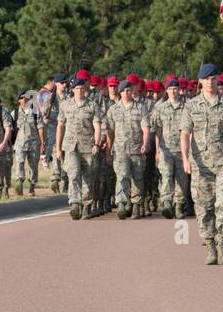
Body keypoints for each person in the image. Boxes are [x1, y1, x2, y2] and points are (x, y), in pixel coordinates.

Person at [180, 63, 223, 264]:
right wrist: (185, 157)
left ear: (218, 80)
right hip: (201, 164)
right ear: (200, 81)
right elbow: (185, 133)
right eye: (206, 79)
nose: (210, 82)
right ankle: (210, 246)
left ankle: (222, 241)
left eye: (213, 78)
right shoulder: (191, 106)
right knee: (204, 207)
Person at [56, 75, 104, 220]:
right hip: (71, 146)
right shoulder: (65, 105)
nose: (80, 91)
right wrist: (58, 148)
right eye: (77, 88)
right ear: (73, 89)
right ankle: (75, 203)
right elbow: (60, 125)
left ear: (86, 89)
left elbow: (97, 125)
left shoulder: (92, 105)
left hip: (88, 146)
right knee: (74, 174)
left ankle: (87, 205)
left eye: (82, 88)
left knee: (88, 178)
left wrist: (96, 143)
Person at [106, 78, 152, 220]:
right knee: (122, 176)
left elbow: (145, 128)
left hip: (137, 150)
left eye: (129, 90)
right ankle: (121, 204)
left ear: (133, 91)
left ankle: (136, 206)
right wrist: (108, 151)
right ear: (119, 92)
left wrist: (145, 143)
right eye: (124, 91)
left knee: (137, 179)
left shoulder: (141, 108)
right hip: (120, 150)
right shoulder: (113, 110)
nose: (127, 93)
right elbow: (109, 132)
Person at [153, 77, 190, 220]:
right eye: (170, 89)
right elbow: (157, 131)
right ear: (166, 91)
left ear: (179, 90)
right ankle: (167, 202)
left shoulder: (186, 107)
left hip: (182, 149)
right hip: (165, 149)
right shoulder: (160, 108)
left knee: (182, 179)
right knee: (167, 176)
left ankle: (179, 205)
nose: (173, 91)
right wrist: (157, 150)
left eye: (175, 89)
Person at [13, 89, 44, 196]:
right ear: (18, 101)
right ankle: (19, 182)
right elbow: (11, 129)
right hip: (20, 144)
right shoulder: (15, 113)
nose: (24, 99)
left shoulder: (35, 112)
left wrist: (42, 143)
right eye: (21, 98)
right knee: (19, 162)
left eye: (26, 97)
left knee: (33, 166)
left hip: (34, 143)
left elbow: (40, 127)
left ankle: (32, 186)